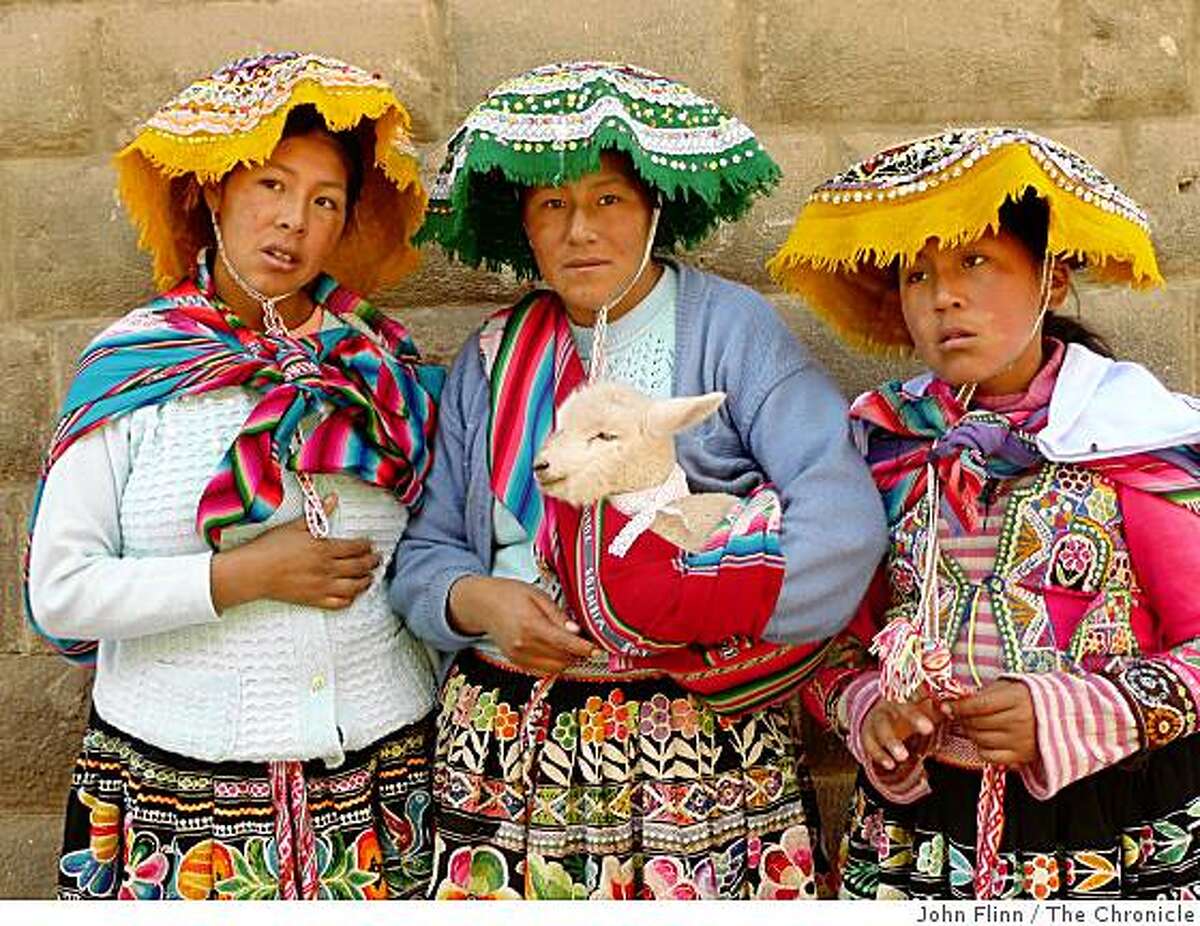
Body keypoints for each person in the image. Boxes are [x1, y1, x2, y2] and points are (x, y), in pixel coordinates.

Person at [391, 60, 887, 900]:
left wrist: (702, 609)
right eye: (553, 205)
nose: (580, 229)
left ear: (655, 206)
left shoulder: (730, 330)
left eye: (608, 200)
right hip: (511, 746)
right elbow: (428, 549)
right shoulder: (489, 358)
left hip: (697, 744)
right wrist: (483, 604)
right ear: (526, 225)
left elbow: (841, 517)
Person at [26, 52, 442, 900]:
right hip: (180, 803)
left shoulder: (382, 365)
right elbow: (60, 592)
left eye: (324, 201)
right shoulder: (138, 368)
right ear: (214, 191)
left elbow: (434, 547)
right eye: (271, 187)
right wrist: (239, 576)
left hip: (384, 793)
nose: (293, 222)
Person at [771, 126, 1200, 899]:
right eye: (916, 274)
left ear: (1053, 279)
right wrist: (868, 711)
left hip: (1113, 827)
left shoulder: (1135, 436)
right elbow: (823, 638)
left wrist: (1075, 709)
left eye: (976, 262)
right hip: (919, 838)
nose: (943, 297)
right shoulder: (882, 446)